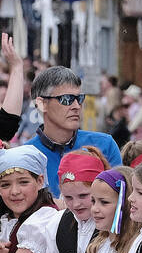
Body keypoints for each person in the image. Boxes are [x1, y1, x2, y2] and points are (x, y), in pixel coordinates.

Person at [24, 67, 122, 195]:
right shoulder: (26, 155)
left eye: (79, 98)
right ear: (42, 104)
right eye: (66, 99)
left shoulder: (104, 144)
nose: (76, 106)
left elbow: (120, 199)